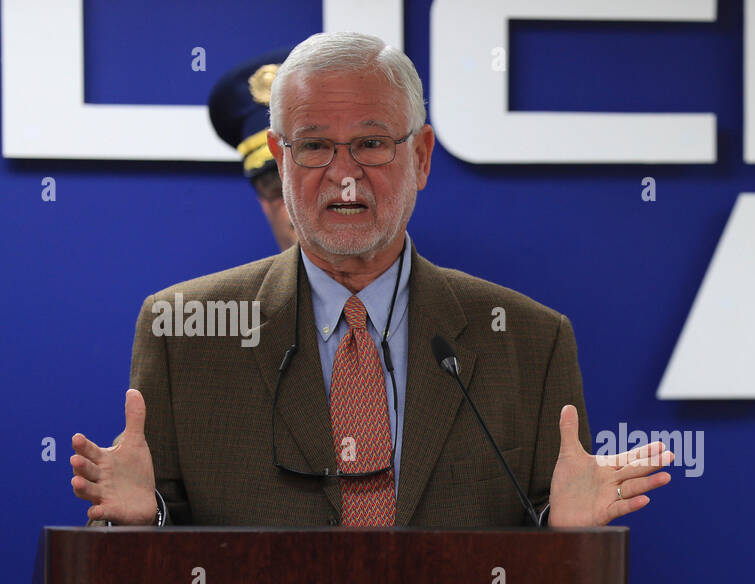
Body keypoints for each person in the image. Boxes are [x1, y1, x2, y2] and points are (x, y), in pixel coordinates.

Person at [69, 31, 671, 528]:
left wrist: (564, 537)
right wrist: (140, 520)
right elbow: (140, 575)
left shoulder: (531, 342)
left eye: (371, 144)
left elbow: (557, 580)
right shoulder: (184, 332)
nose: (345, 175)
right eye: (314, 148)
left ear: (423, 157)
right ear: (280, 164)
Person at [208, 47, 297, 251]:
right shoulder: (237, 284)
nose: (297, 201)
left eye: (313, 170)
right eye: (275, 181)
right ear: (263, 202)